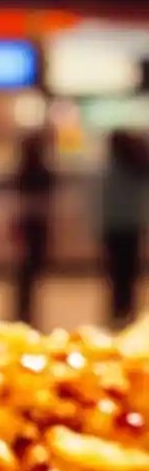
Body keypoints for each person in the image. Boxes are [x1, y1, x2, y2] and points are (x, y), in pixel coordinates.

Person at [101, 130, 148, 326]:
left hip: (114, 227)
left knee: (118, 274)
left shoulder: (111, 168)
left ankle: (119, 312)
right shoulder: (135, 166)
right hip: (130, 226)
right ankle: (125, 311)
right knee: (127, 273)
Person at [14, 131, 55, 324]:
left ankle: (23, 310)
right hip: (36, 223)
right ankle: (25, 310)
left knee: (26, 271)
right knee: (31, 269)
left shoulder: (23, 168)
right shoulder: (39, 169)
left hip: (28, 222)